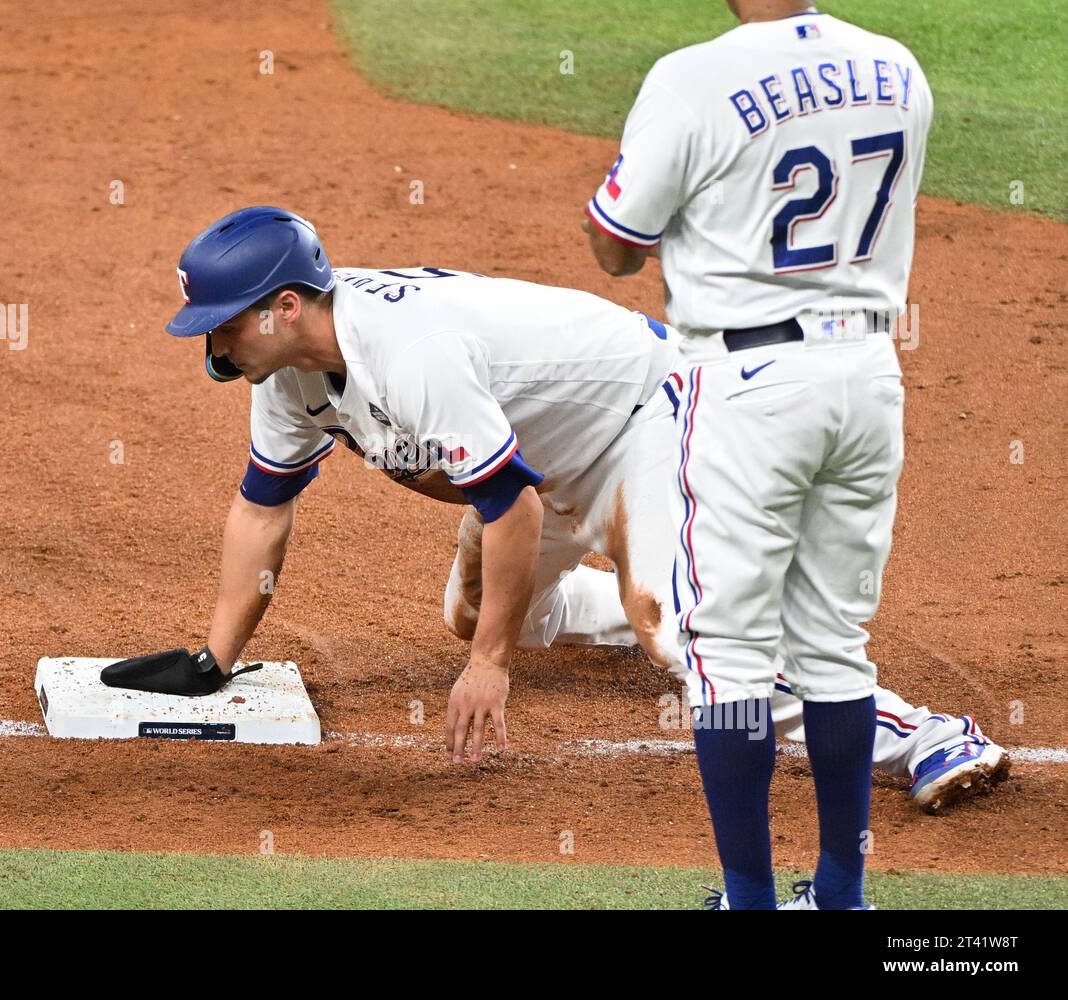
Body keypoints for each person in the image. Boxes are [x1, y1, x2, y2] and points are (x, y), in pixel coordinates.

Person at [104, 205, 1007, 819]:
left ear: (286, 306)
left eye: (224, 324)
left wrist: (489, 668)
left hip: (652, 418)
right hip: (549, 459)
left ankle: (921, 735)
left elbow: (511, 504)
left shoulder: (412, 353)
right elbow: (263, 509)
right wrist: (212, 659)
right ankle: (661, 594)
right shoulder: (285, 371)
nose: (213, 346)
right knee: (473, 610)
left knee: (669, 639)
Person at [582, 1, 976, 908]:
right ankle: (841, 895)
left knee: (726, 655)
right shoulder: (897, 67)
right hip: (870, 375)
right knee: (837, 647)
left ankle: (749, 903)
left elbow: (615, 246)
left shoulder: (693, 75)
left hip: (748, 384)